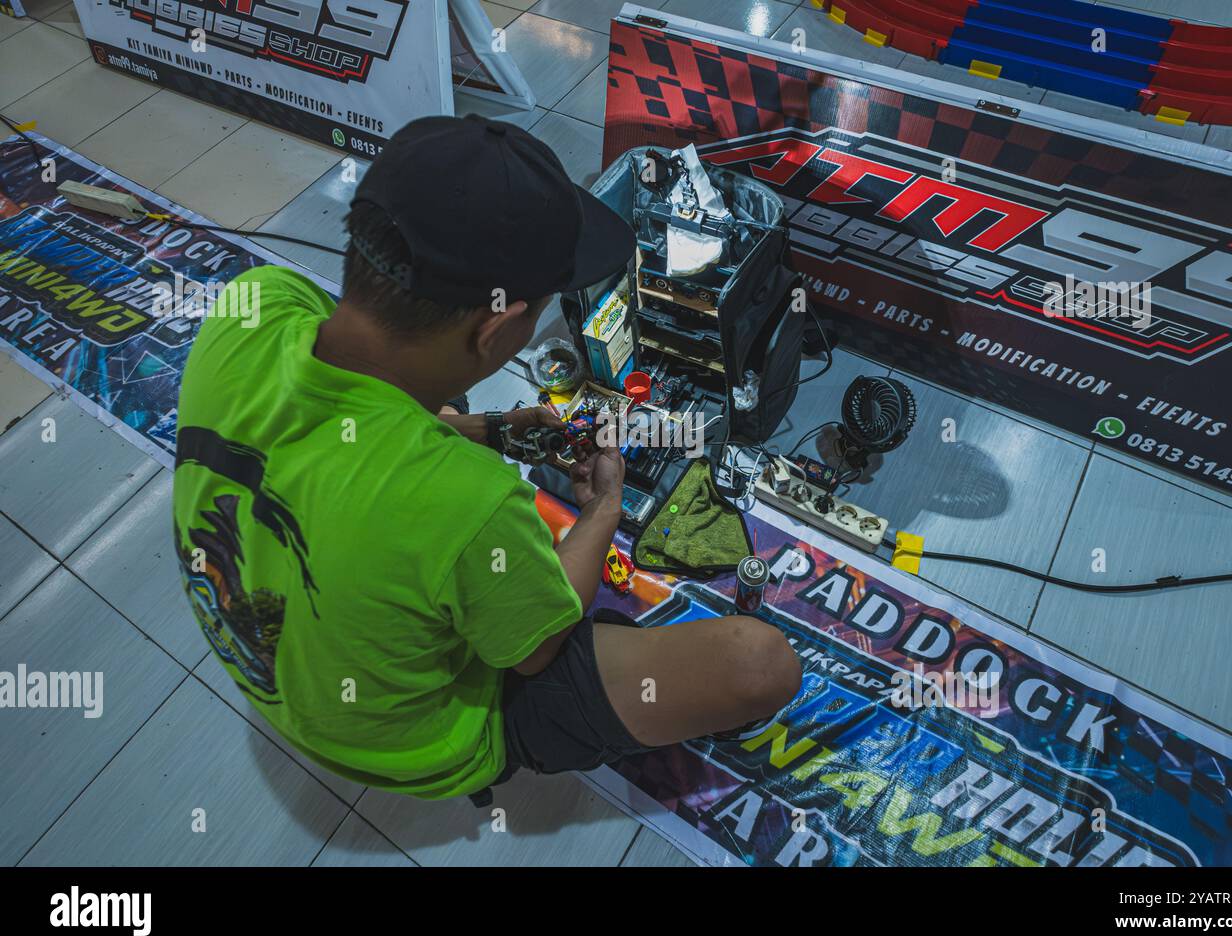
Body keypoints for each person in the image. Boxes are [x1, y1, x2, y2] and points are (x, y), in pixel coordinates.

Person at [172, 115, 802, 802]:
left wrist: (488, 429)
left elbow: (361, 397)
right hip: (412, 744)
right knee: (759, 664)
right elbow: (542, 645)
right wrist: (605, 506)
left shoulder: (252, 303)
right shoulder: (469, 503)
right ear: (499, 327)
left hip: (274, 665)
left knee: (425, 396)